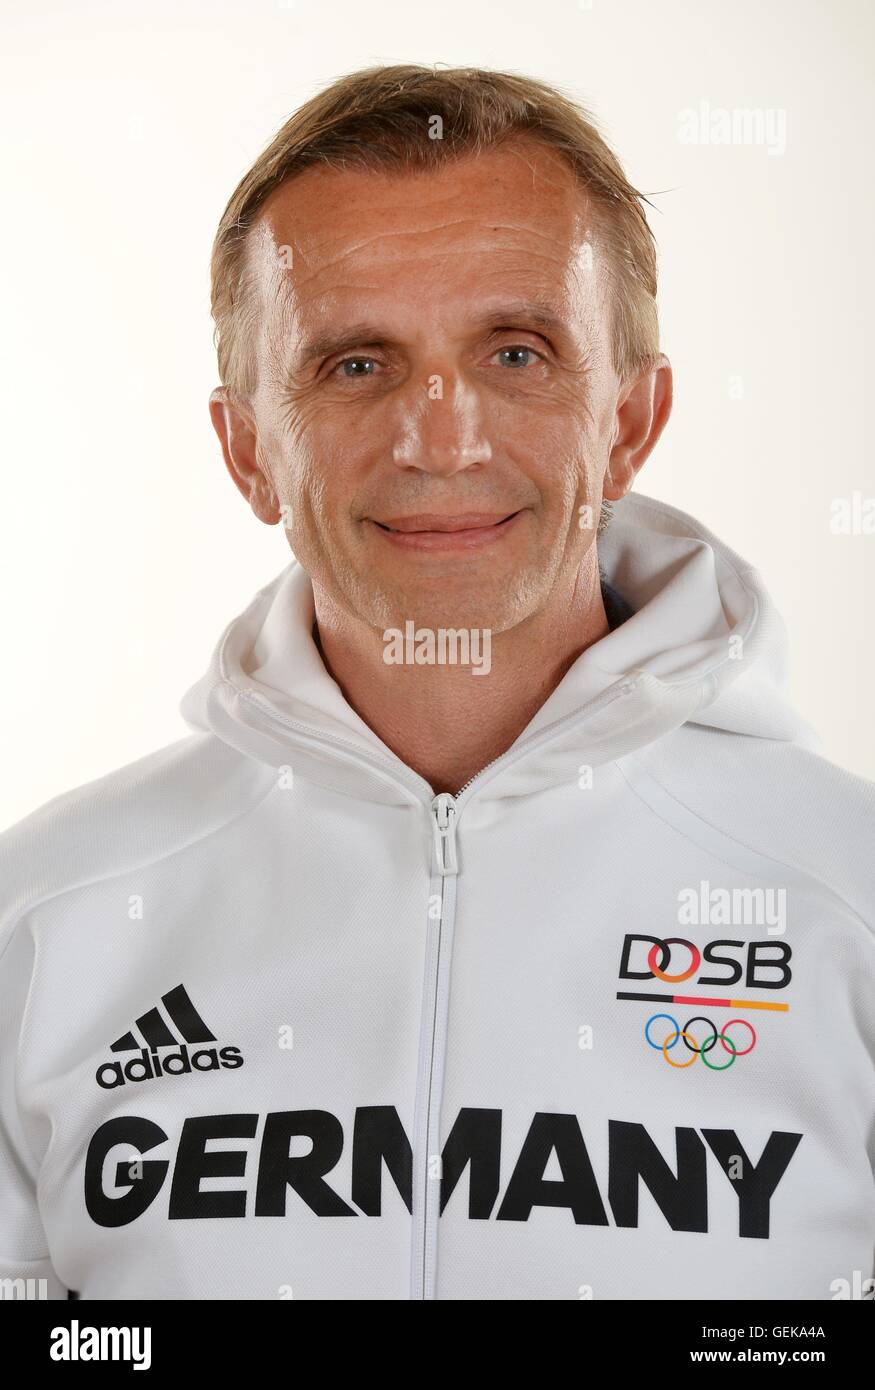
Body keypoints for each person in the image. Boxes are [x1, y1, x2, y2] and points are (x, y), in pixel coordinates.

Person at [1, 63, 873, 1303]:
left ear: (628, 419)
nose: (439, 436)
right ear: (247, 450)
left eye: (514, 352)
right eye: (354, 365)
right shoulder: (44, 922)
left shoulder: (845, 900)